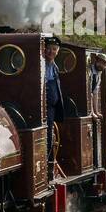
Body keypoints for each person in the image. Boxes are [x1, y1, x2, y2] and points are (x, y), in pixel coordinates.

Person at [43, 37, 67, 174]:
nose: (51, 51)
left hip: (52, 108)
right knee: (46, 135)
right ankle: (45, 165)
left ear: (57, 51)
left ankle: (49, 164)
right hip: (43, 107)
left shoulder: (55, 66)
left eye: (54, 49)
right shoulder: (42, 65)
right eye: (49, 48)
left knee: (50, 135)